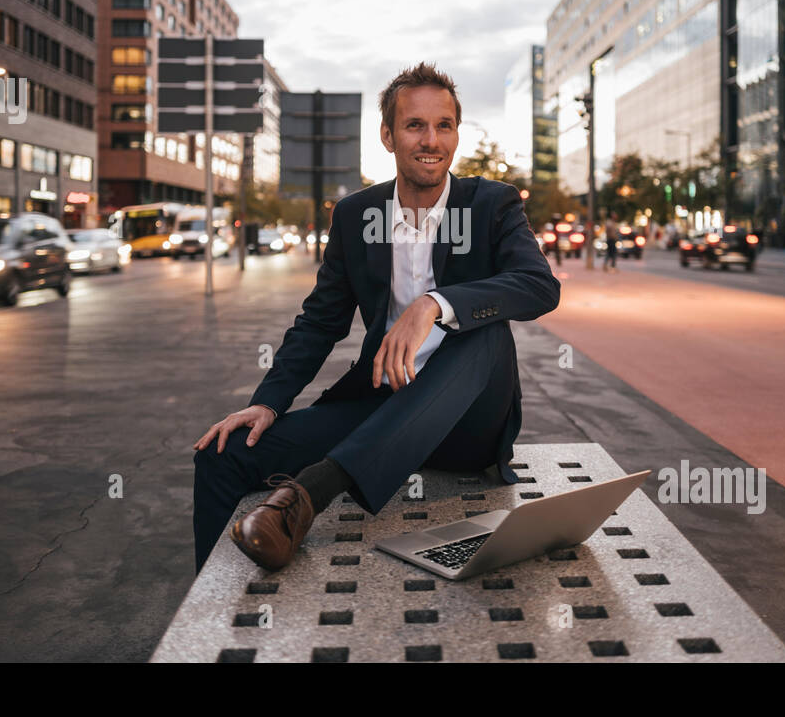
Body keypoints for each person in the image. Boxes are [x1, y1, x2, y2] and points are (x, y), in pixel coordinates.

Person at [191, 62, 561, 573]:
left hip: (467, 422)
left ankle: (308, 495)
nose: (431, 140)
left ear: (456, 133)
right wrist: (268, 403)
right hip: (381, 399)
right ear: (387, 136)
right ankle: (214, 622)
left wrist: (434, 305)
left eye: (444, 125)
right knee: (223, 453)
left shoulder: (492, 203)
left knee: (486, 330)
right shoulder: (355, 214)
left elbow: (539, 286)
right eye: (415, 126)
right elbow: (321, 321)